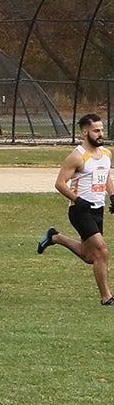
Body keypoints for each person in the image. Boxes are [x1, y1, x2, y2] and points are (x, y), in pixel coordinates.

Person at [41, 112, 114, 305]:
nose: (100, 134)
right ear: (84, 132)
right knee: (102, 251)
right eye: (96, 130)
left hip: (98, 210)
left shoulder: (106, 154)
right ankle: (107, 297)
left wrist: (112, 195)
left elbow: (106, 176)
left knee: (89, 256)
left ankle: (55, 237)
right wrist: (76, 199)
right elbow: (60, 183)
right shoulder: (77, 157)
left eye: (102, 130)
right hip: (79, 211)